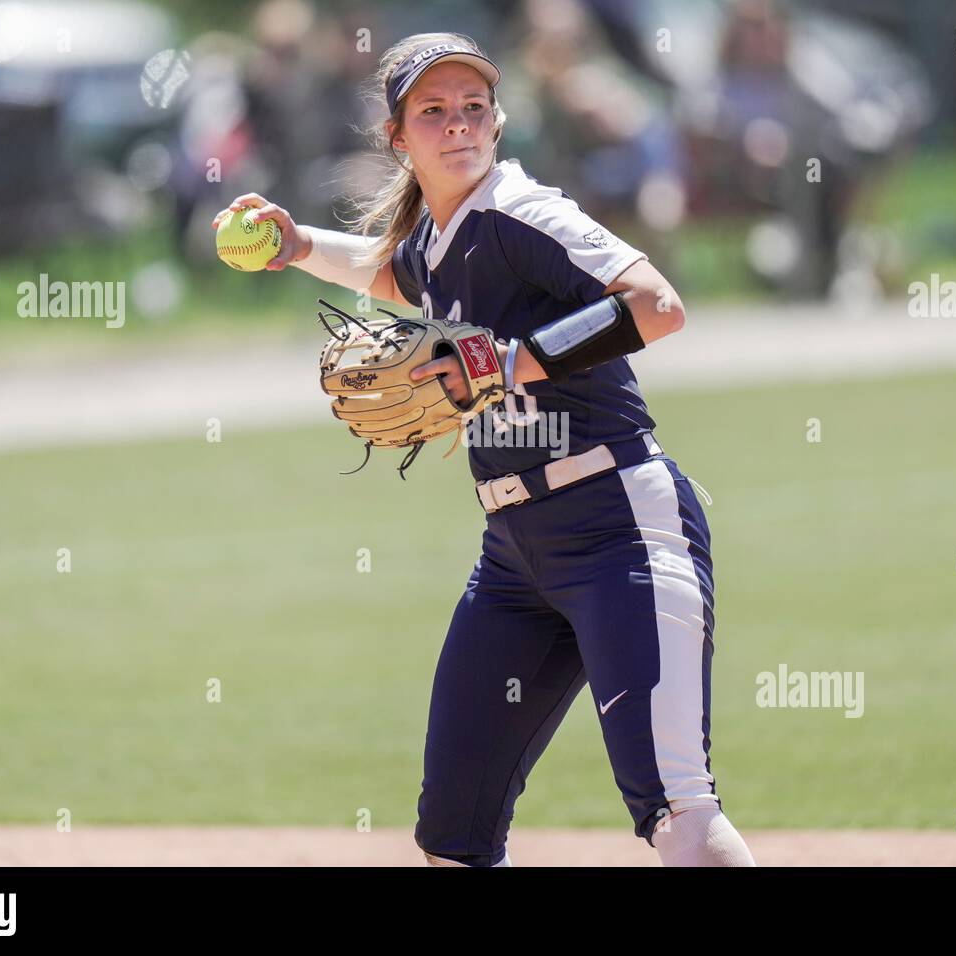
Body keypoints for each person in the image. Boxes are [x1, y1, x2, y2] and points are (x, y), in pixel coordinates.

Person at [212, 32, 755, 868]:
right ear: (399, 137)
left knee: (676, 809)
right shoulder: (442, 235)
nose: (458, 123)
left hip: (620, 529)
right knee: (453, 835)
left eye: (473, 107)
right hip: (514, 559)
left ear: (498, 122)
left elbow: (655, 305)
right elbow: (403, 276)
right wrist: (296, 246)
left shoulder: (520, 212)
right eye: (433, 110)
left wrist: (504, 361)